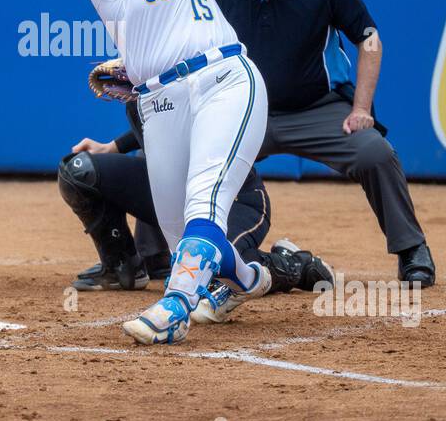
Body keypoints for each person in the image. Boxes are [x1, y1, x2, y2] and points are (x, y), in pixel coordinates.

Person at [195, 0, 435, 328]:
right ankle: (157, 257)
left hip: (317, 107)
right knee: (183, 156)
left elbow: (368, 38)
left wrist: (361, 108)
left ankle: (411, 249)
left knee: (374, 152)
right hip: (246, 110)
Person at [78, 0, 283, 345]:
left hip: (224, 79)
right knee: (178, 233)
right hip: (161, 105)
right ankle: (250, 279)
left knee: (204, 203)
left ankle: (174, 309)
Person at [58, 98, 336, 322]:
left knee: (209, 276)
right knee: (79, 171)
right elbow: (158, 118)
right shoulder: (149, 79)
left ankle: (291, 265)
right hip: (177, 196)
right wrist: (113, 147)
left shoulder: (201, 75)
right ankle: (122, 267)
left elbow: (184, 118)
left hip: (236, 201)